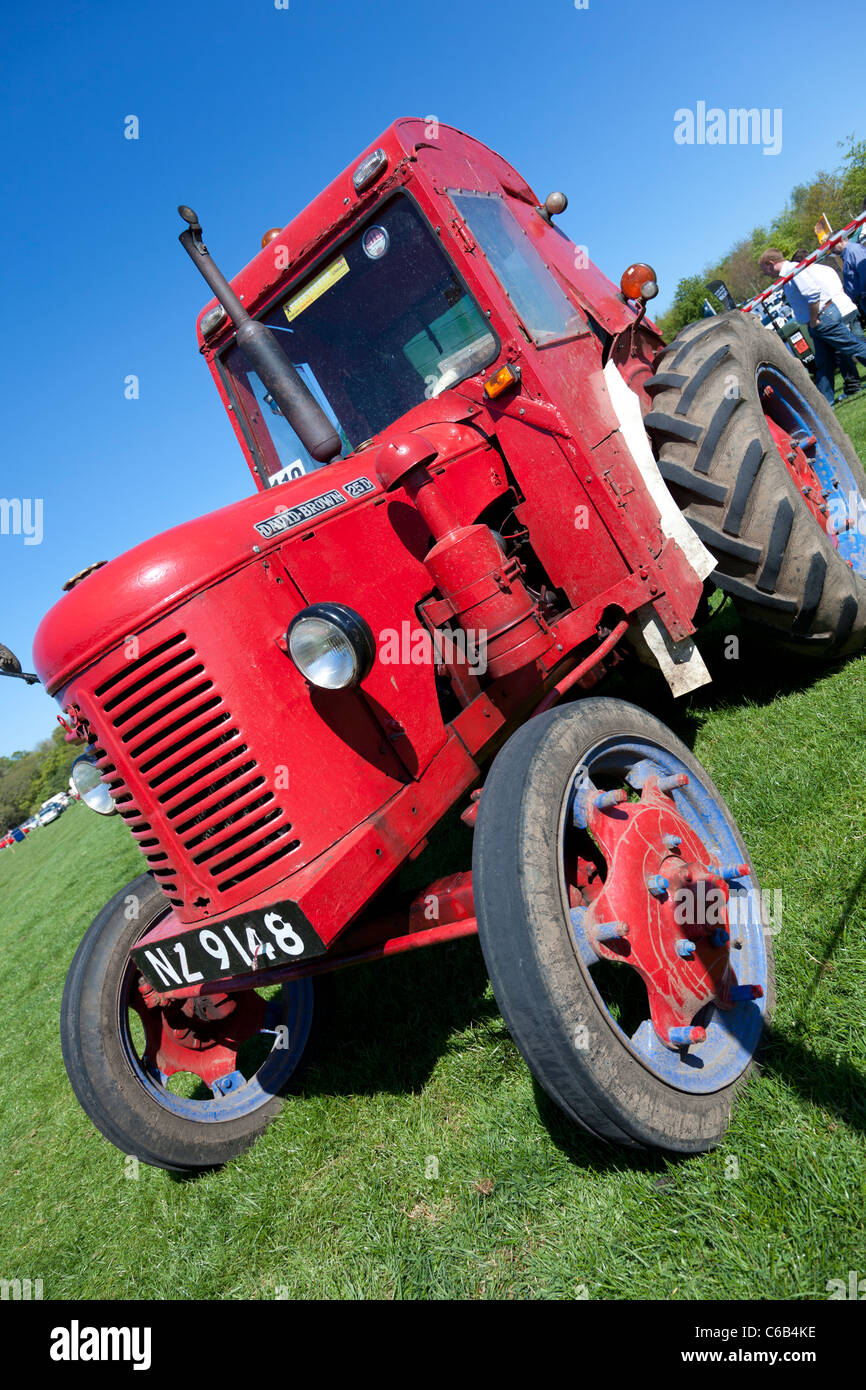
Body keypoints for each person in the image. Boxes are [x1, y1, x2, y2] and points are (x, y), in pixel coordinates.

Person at [758, 247, 866, 403]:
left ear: (771, 263)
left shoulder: (793, 271)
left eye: (765, 269)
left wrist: (814, 319)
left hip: (822, 319)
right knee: (824, 365)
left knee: (854, 347)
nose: (766, 273)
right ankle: (826, 404)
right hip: (818, 321)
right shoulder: (789, 273)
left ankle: (826, 403)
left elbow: (813, 294)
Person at [792, 247, 865, 398]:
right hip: (848, 307)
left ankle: (852, 385)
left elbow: (818, 297)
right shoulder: (826, 268)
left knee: (847, 350)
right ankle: (850, 386)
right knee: (856, 344)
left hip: (834, 311)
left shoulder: (807, 276)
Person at [834, 236, 866, 322]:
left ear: (840, 241)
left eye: (832, 246)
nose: (831, 250)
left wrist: (863, 293)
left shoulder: (854, 251)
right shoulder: (848, 253)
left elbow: (864, 271)